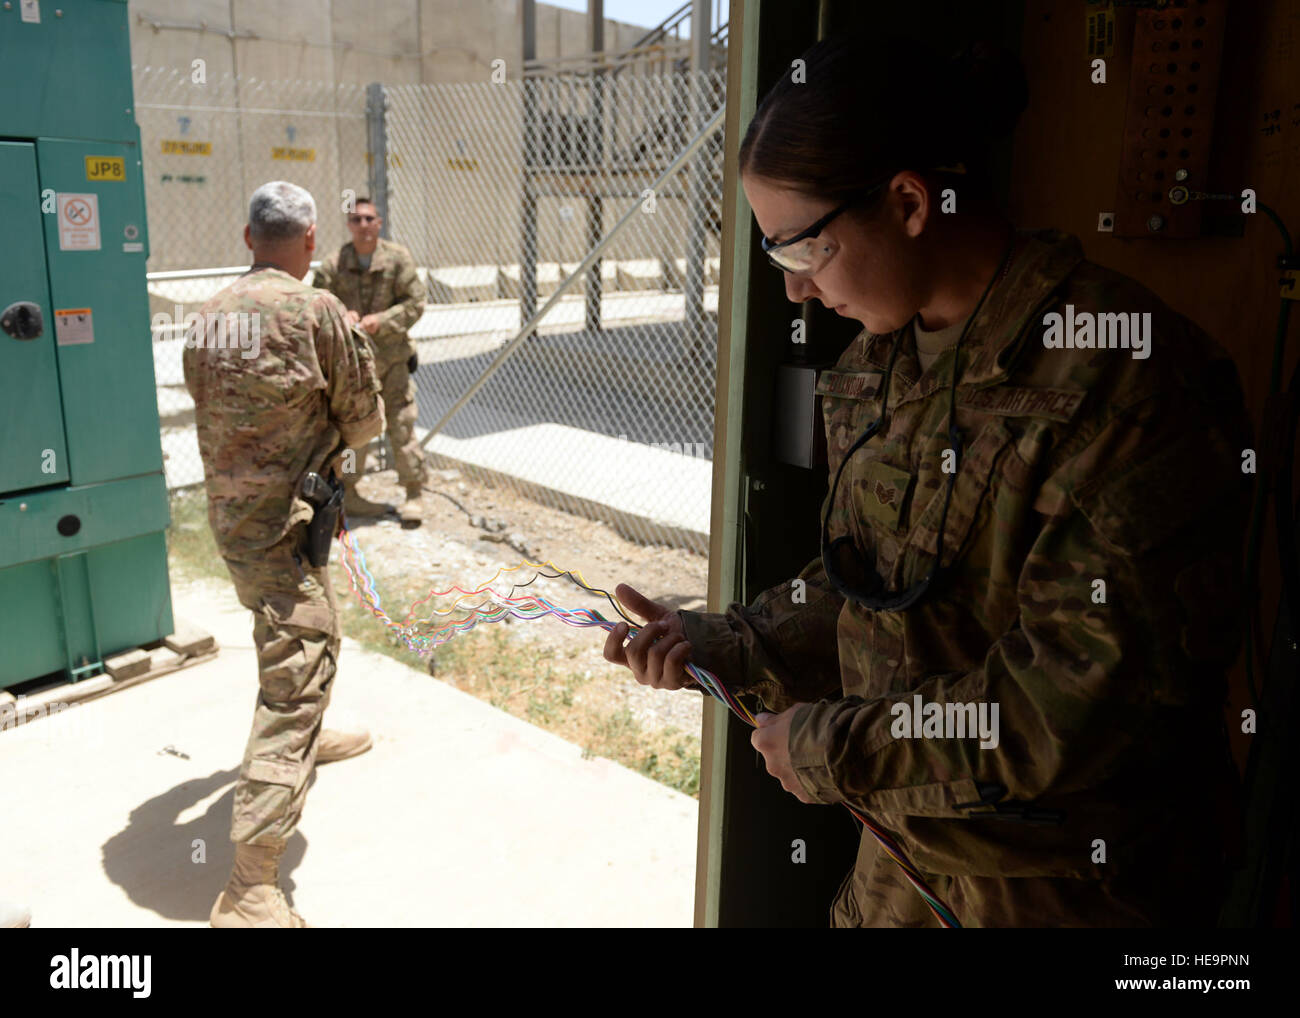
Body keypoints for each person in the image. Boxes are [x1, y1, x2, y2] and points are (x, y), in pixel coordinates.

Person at [604, 35, 1252, 928]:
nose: (793, 294)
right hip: (905, 868)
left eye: (802, 253)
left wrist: (834, 744)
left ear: (908, 202)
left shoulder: (1121, 377)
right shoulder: (883, 358)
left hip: (1071, 896)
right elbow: (878, 588)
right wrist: (736, 640)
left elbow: (1071, 703)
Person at [184, 181, 385, 928]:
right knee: (295, 675)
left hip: (238, 525)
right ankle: (248, 887)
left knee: (296, 639)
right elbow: (365, 421)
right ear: (308, 242)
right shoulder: (317, 310)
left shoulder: (205, 317)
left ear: (248, 238)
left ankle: (305, 738)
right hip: (285, 526)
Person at [313, 197, 428, 526]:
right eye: (356, 219)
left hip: (392, 362)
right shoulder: (333, 265)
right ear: (349, 225)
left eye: (369, 219)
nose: (363, 225)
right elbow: (316, 306)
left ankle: (413, 493)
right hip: (353, 369)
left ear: (379, 223)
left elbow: (415, 301)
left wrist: (383, 320)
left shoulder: (397, 259)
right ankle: (349, 492)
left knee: (402, 425)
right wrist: (341, 315)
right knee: (352, 434)